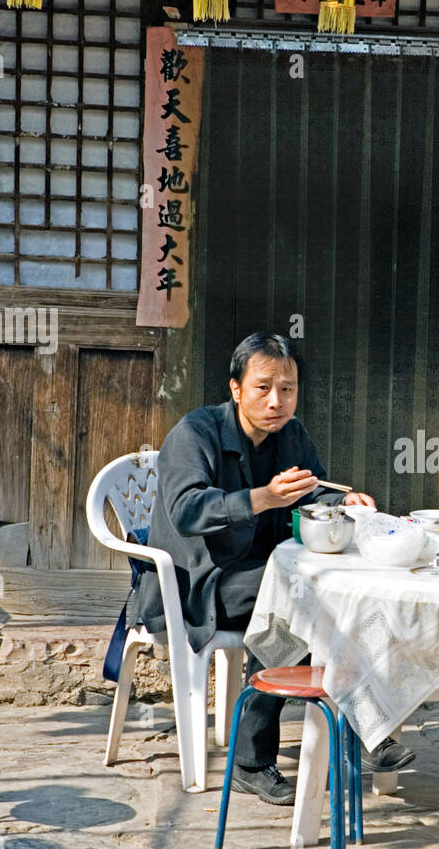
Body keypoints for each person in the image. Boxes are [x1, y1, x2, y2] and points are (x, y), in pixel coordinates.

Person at [130, 332, 414, 806]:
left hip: (261, 575)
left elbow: (313, 490)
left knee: (315, 601)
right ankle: (343, 735)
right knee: (293, 600)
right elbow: (187, 509)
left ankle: (310, 743)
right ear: (236, 388)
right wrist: (263, 497)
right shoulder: (195, 433)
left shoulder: (292, 436)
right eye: (263, 387)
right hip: (196, 581)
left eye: (288, 388)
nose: (277, 401)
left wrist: (342, 499)